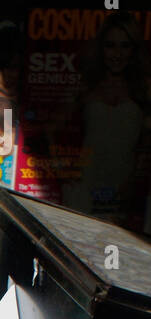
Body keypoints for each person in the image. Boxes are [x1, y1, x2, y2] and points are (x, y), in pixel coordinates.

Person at [64, 14, 151, 228]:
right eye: (110, 45)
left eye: (125, 46)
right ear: (101, 49)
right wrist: (64, 171)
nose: (117, 54)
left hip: (125, 192)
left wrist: (135, 182)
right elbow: (53, 128)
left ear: (134, 50)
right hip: (86, 189)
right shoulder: (87, 87)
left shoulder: (145, 89)